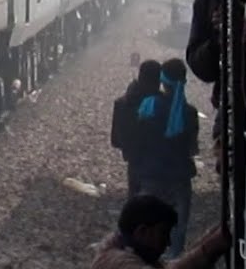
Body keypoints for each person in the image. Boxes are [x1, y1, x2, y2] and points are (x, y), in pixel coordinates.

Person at [132, 58, 200, 259]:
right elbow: (192, 148)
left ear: (163, 82)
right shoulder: (190, 113)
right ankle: (174, 262)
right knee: (178, 229)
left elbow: (139, 141)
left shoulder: (149, 105)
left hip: (151, 175)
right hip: (179, 177)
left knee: (147, 224)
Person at [91, 194, 230, 269]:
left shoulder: (130, 253)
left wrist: (207, 243)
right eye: (163, 233)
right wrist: (207, 249)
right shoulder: (116, 261)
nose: (168, 243)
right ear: (142, 231)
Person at [112, 59, 162, 196]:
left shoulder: (122, 103)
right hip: (159, 160)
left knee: (135, 195)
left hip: (133, 157)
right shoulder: (163, 104)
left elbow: (116, 140)